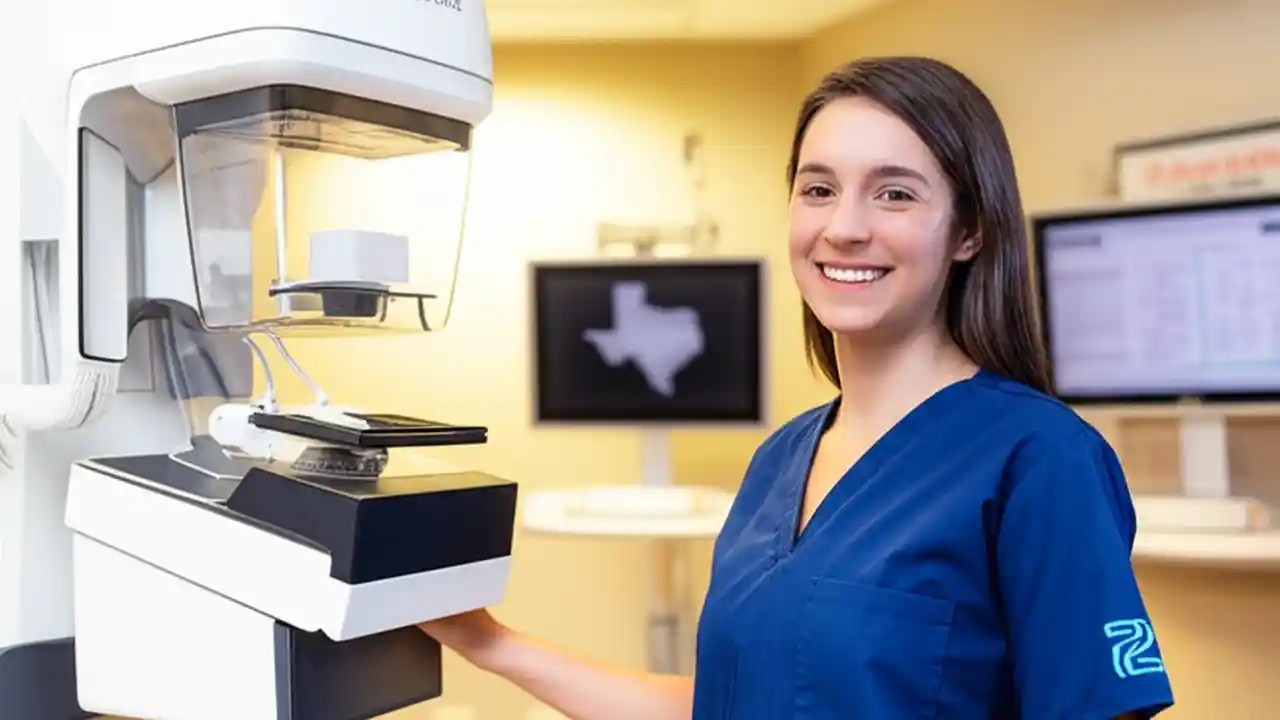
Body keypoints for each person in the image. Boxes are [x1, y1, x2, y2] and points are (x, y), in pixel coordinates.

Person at [418, 56, 1176, 719]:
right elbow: (726, 706)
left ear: (969, 230)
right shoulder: (780, 461)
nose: (844, 227)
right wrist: (490, 643)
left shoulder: (1039, 460)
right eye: (818, 189)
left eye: (895, 194)